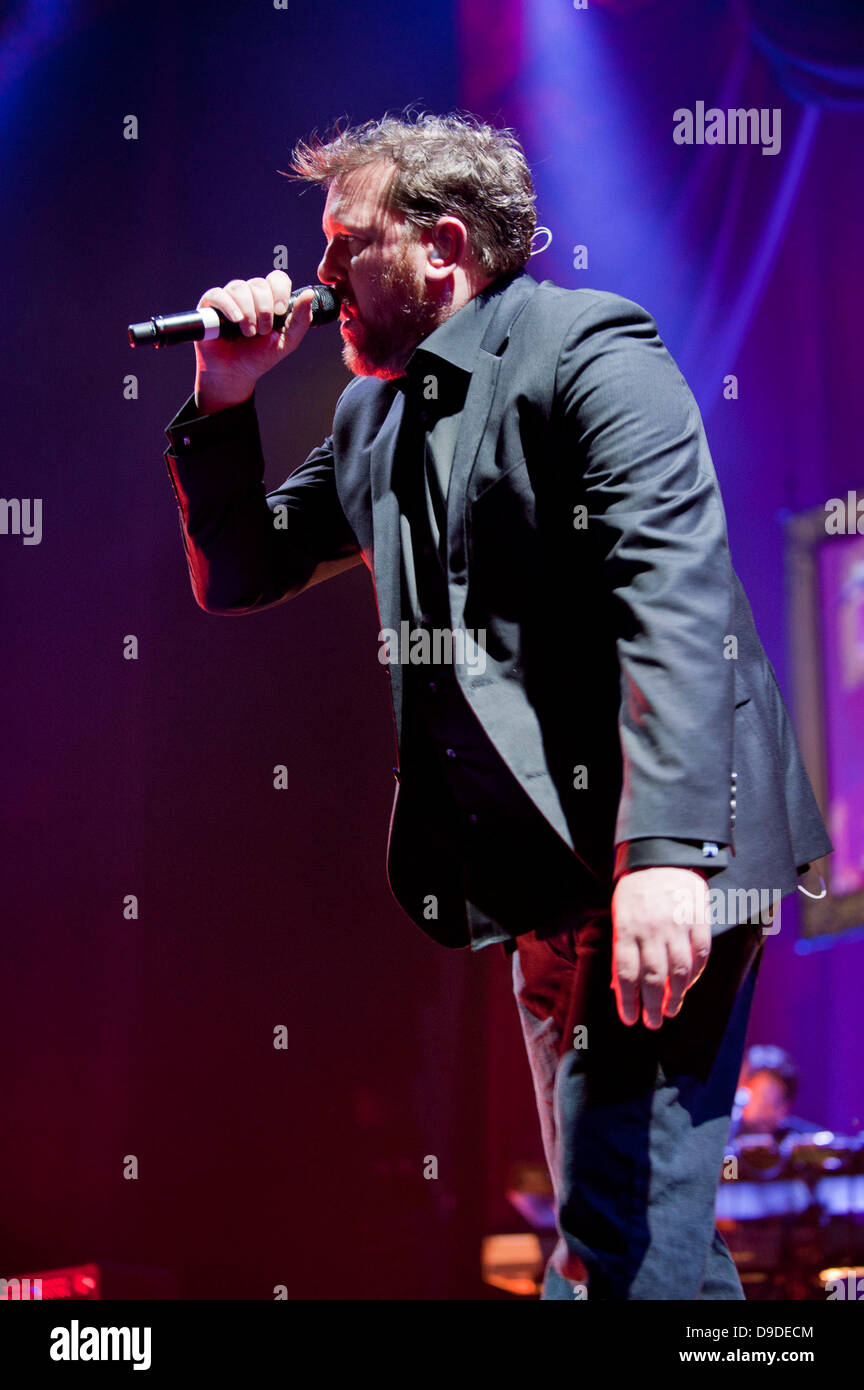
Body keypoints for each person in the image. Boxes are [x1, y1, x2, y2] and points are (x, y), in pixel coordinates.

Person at [160, 112, 832, 1299]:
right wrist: (223, 401)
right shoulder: (372, 412)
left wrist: (665, 856)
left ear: (443, 247)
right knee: (616, 1236)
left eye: (341, 244)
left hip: (667, 839)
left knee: (623, 1229)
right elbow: (243, 570)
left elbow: (675, 596)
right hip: (542, 877)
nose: (315, 280)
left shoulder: (590, 348)